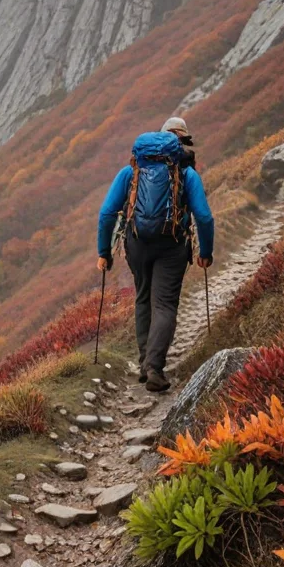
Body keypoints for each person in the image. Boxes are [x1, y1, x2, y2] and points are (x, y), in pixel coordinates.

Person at [95, 117, 214, 392]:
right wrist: (206, 251)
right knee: (165, 305)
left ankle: (143, 363)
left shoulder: (132, 172)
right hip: (172, 246)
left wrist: (104, 252)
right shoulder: (187, 175)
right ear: (181, 143)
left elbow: (106, 214)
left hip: (137, 243)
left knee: (144, 298)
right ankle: (154, 369)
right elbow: (204, 218)